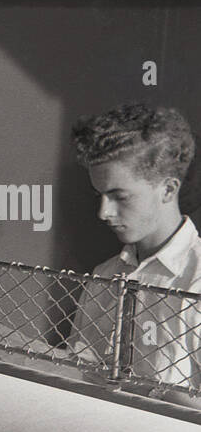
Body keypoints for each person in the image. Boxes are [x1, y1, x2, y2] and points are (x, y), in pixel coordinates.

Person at [69, 103, 201, 389]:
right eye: (100, 195)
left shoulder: (197, 279)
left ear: (167, 189)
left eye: (120, 196)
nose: (103, 213)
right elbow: (78, 374)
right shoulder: (103, 276)